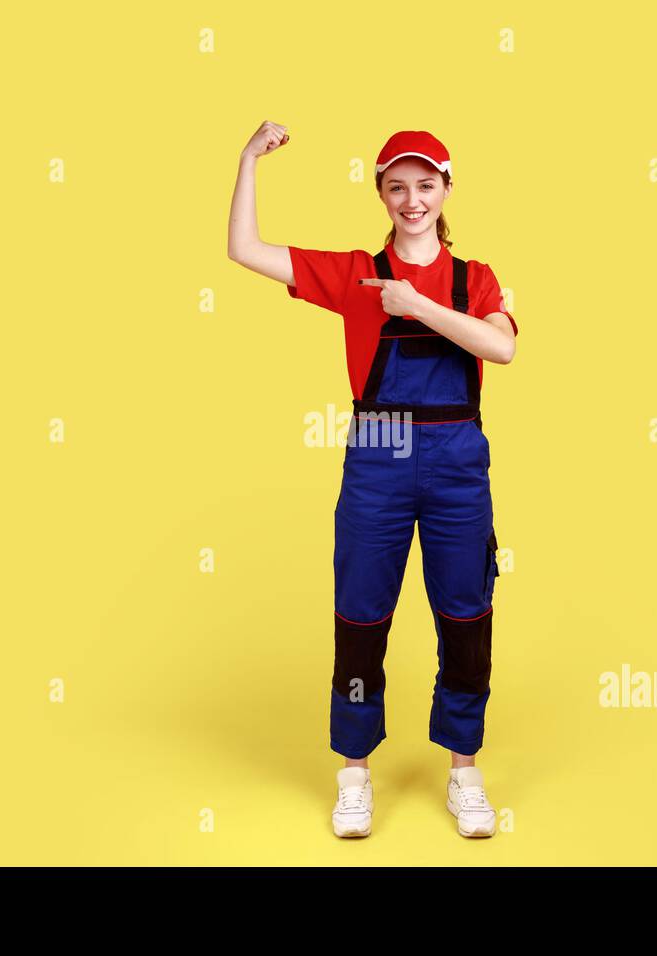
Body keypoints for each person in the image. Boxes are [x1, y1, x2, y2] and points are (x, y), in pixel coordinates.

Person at [227, 123, 518, 838]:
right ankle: (354, 775)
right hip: (377, 452)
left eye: (425, 185)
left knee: (465, 613)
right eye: (398, 187)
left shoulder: (472, 278)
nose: (412, 199)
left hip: (456, 456)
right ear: (382, 195)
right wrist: (246, 163)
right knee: (361, 614)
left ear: (446, 189)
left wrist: (417, 306)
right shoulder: (356, 273)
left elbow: (502, 345)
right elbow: (243, 250)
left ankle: (464, 773)